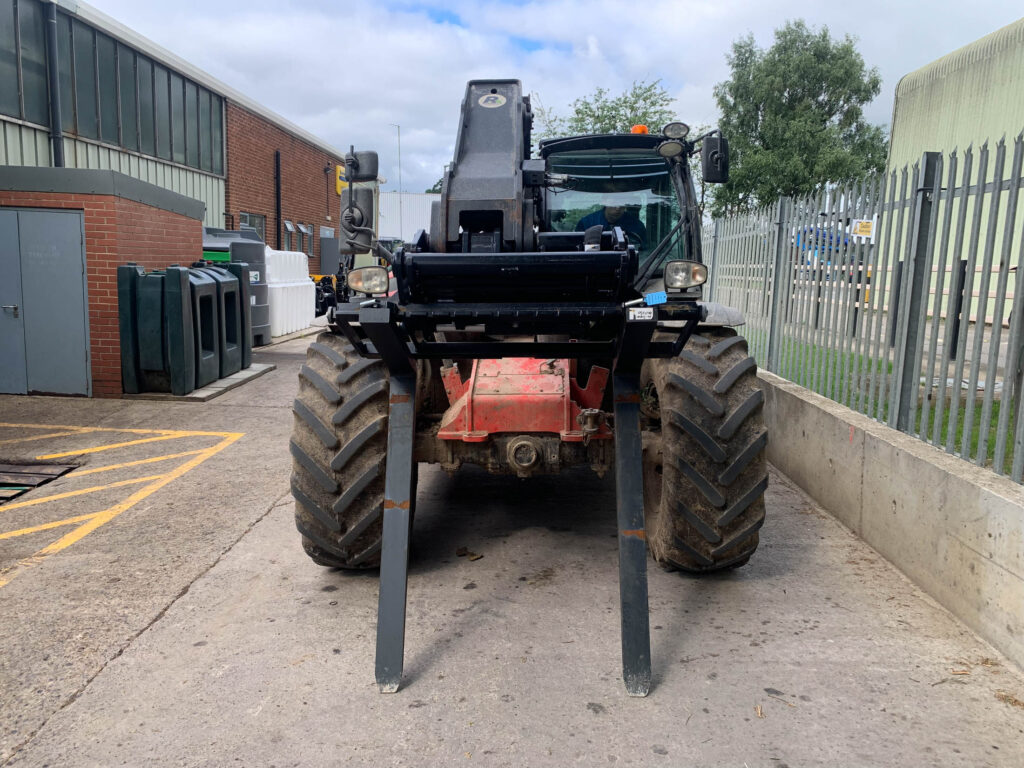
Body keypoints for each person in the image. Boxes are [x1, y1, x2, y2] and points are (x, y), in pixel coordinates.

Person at [576, 204, 647, 248]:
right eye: (614, 202)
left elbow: (644, 254)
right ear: (605, 201)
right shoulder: (586, 224)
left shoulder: (637, 226)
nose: (618, 208)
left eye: (621, 202)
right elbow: (578, 252)